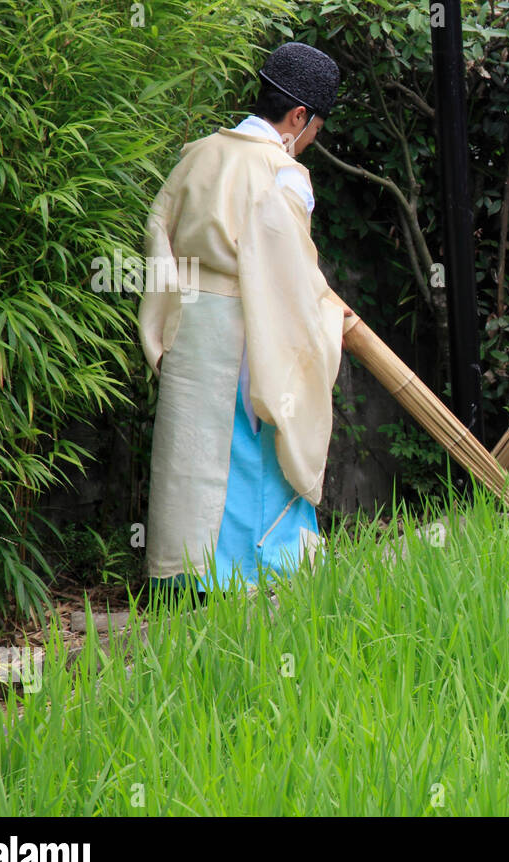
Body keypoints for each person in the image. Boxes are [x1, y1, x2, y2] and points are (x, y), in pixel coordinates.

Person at [139, 42, 353, 592]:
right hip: (246, 327)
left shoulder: (197, 153)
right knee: (254, 445)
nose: (309, 144)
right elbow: (289, 277)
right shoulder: (283, 173)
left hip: (189, 324)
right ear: (299, 116)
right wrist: (326, 317)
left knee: (191, 452)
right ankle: (255, 574)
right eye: (314, 131)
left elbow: (156, 232)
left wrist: (162, 321)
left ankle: (181, 577)